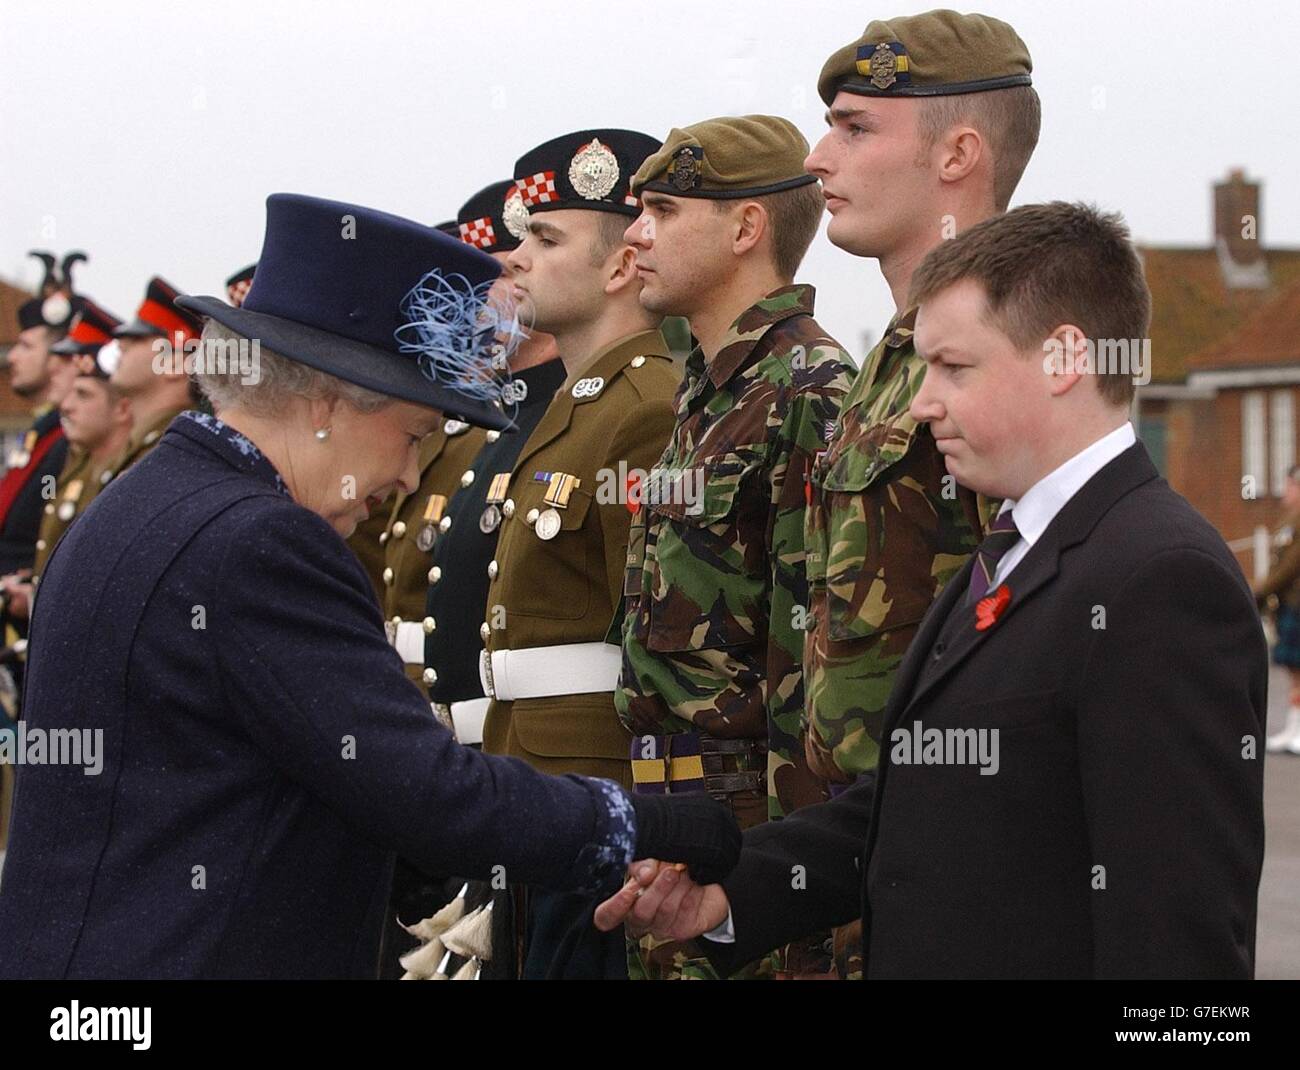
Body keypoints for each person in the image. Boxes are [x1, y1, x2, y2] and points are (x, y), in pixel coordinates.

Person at [0, 193, 739, 979]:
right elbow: (429, 792)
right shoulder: (260, 543)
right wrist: (667, 828)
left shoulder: (148, 499)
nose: (408, 475)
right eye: (414, 434)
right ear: (327, 403)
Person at [598, 202, 1268, 980]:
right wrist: (733, 889)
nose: (922, 403)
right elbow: (920, 801)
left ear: (1065, 359)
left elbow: (1179, 928)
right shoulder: (1014, 546)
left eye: (953, 368)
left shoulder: (1159, 579)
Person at [798, 9, 1041, 976]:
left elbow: (1040, 633)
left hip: (965, 876)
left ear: (959, 155)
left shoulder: (1017, 344)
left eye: (855, 128)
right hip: (865, 851)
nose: (818, 158)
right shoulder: (896, 354)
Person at [616, 115, 854, 979]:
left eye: (663, 210)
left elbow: (808, 665)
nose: (636, 234)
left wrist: (786, 898)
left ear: (746, 228)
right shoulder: (706, 393)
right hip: (670, 817)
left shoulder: (808, 392)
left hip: (746, 840)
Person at [479, 128, 681, 978]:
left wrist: (663, 821)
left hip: (597, 801)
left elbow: (667, 651)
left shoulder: (644, 407)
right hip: (533, 784)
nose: (516, 258)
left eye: (546, 238)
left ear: (620, 267)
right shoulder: (579, 402)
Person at [376, 180, 566, 978]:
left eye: (483, 273)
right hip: (451, 750)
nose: (491, 290)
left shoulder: (566, 412)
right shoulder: (485, 420)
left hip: (527, 765)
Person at [31, 300, 131, 590]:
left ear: (122, 409)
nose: (67, 406)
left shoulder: (129, 467)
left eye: (84, 395)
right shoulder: (80, 459)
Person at [100, 276, 203, 485]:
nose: (121, 345)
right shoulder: (143, 445)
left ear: (175, 365)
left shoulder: (177, 452)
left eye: (138, 339)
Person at [1257, 464, 1300, 753]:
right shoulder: (1290, 519)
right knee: (1293, 669)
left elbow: (1289, 566)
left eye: (1289, 486)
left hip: (1297, 604)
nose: (1285, 492)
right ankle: (1293, 727)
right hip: (1288, 604)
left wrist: (1258, 592)